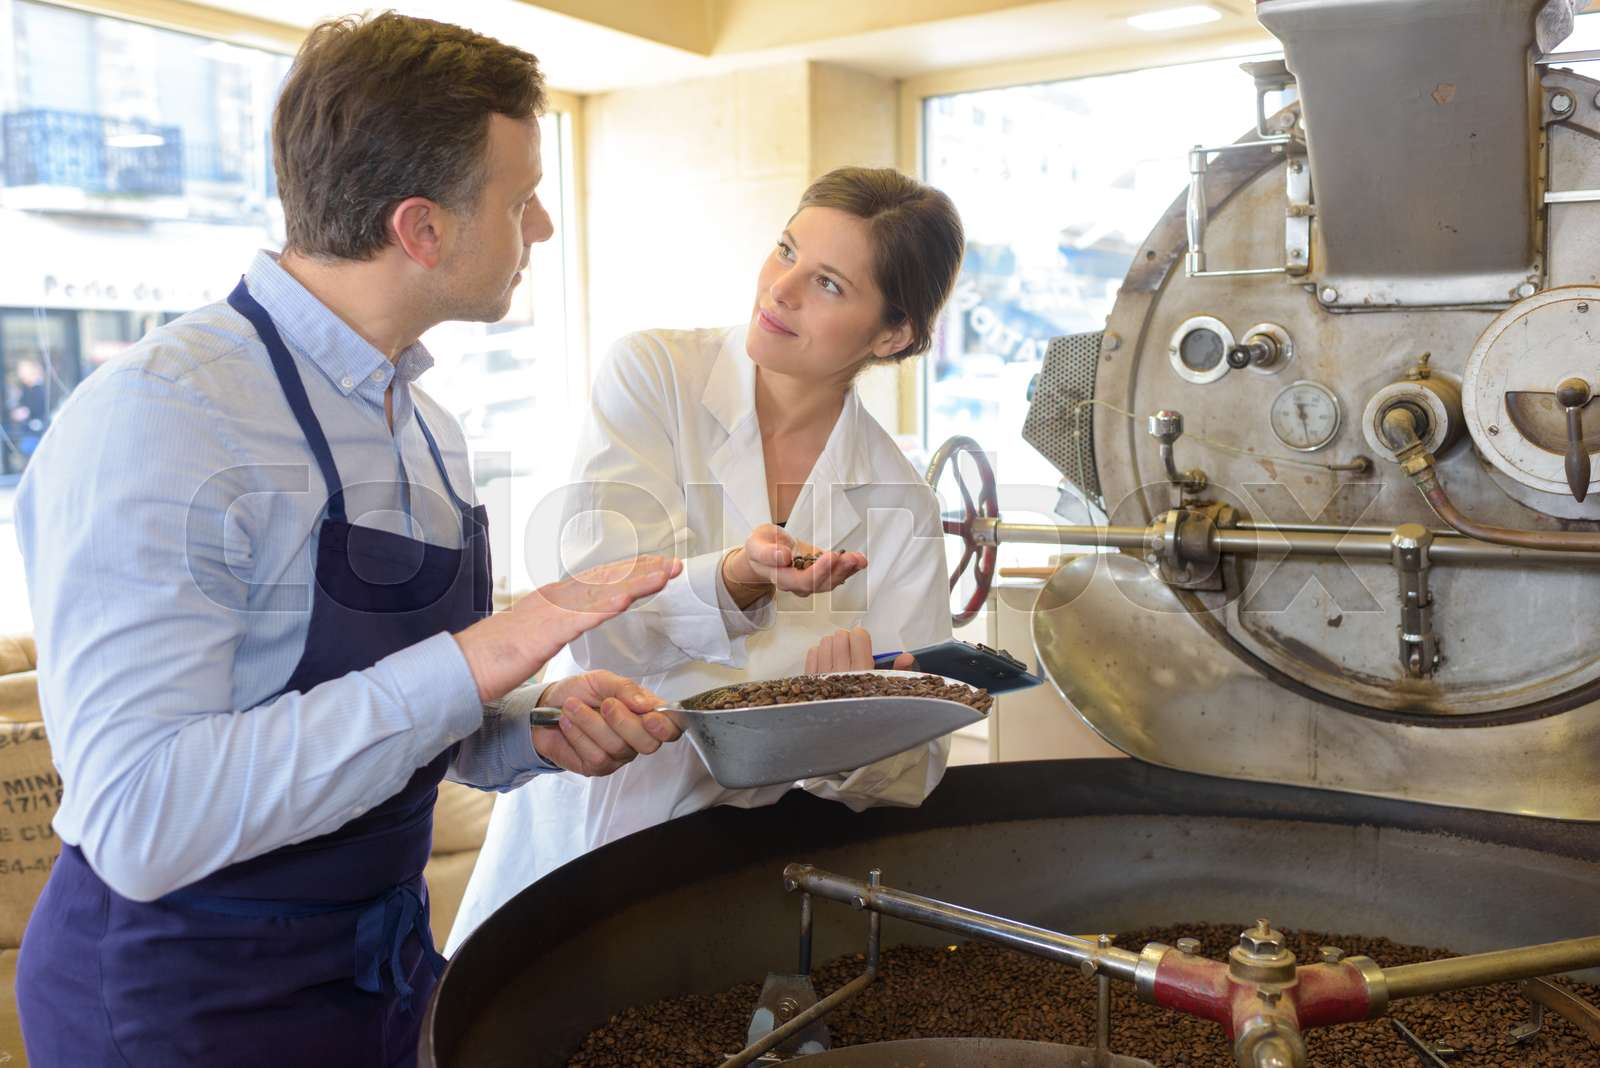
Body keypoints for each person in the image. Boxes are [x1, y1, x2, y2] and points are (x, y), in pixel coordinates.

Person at [14, 14, 684, 1067]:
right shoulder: (163, 415)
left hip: (374, 970)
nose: (543, 226)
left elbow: (376, 709)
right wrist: (470, 663)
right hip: (178, 1003)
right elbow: (140, 815)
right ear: (421, 230)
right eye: (520, 201)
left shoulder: (425, 424)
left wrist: (521, 720)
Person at [447, 166, 966, 954]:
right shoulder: (655, 375)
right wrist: (736, 578)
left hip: (742, 877)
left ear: (892, 335)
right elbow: (601, 621)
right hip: (580, 827)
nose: (780, 289)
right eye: (785, 250)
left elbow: (915, 762)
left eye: (826, 283)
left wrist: (843, 727)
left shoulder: (899, 499)